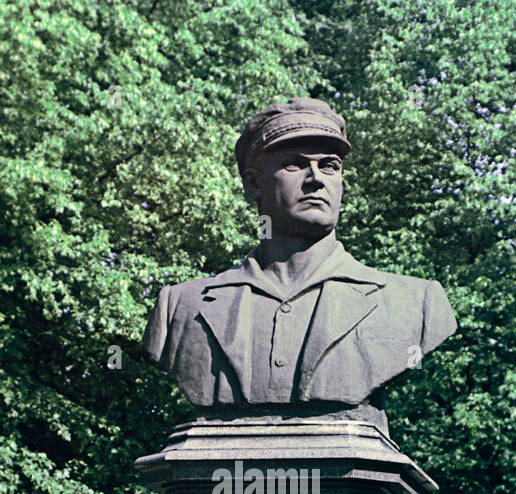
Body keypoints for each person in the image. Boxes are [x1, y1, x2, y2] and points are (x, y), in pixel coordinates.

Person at [142, 97, 457, 421]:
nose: (316, 178)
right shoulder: (181, 307)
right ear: (253, 184)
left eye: (330, 166)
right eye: (294, 164)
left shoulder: (415, 303)